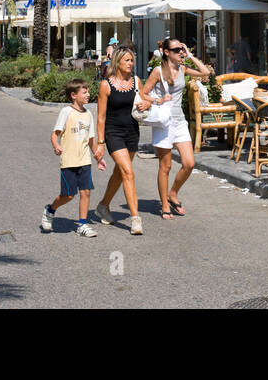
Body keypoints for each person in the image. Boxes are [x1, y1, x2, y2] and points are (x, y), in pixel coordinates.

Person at [142, 38, 210, 219]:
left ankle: (173, 193)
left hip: (180, 122)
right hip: (164, 122)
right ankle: (164, 203)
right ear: (166, 52)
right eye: (177, 49)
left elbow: (205, 73)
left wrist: (190, 56)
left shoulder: (183, 69)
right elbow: (143, 93)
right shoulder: (158, 72)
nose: (180, 52)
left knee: (189, 163)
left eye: (182, 48)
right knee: (166, 166)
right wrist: (158, 100)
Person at [41, 78, 107, 237]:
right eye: (84, 92)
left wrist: (98, 157)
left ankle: (82, 225)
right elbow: (54, 134)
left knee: (86, 192)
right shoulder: (66, 112)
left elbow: (91, 139)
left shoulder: (89, 114)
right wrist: (56, 146)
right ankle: (50, 210)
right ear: (73, 95)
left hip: (84, 160)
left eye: (88, 91)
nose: (88, 95)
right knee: (68, 195)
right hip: (69, 161)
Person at [96, 47, 147, 235]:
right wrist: (100, 143)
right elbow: (101, 117)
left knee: (120, 173)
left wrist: (146, 103)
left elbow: (144, 100)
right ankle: (135, 219)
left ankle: (103, 205)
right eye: (127, 60)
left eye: (132, 61)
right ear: (117, 62)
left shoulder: (136, 82)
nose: (130, 64)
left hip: (132, 131)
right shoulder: (106, 85)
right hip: (113, 132)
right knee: (128, 172)